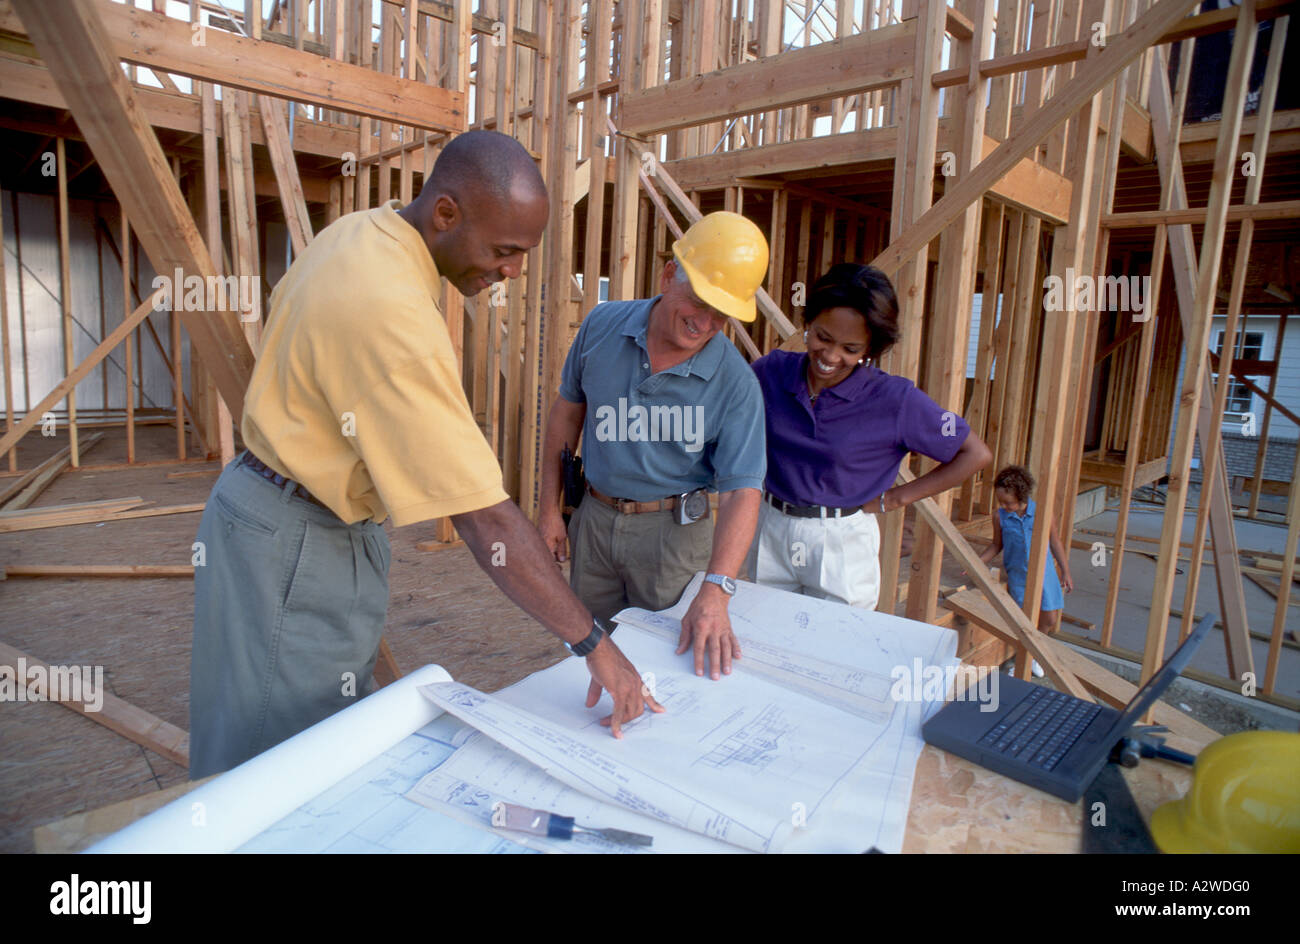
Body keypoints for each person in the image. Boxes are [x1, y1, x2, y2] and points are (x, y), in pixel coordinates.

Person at [190, 131, 661, 779]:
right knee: (280, 766)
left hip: (272, 510)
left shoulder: (362, 233)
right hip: (298, 539)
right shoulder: (389, 308)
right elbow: (486, 521)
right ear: (445, 213)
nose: (512, 272)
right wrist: (593, 642)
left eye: (522, 256)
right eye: (504, 251)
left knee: (267, 730)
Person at [537, 212, 769, 681]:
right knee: (587, 651)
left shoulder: (736, 383)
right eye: (700, 300)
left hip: (674, 539)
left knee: (669, 667)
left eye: (721, 314)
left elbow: (744, 489)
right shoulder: (602, 326)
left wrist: (717, 588)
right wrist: (548, 510)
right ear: (668, 275)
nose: (705, 323)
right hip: (595, 523)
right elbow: (567, 412)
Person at [747, 263, 991, 609]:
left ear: (870, 349)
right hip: (771, 524)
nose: (830, 357)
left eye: (850, 348)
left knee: (837, 650)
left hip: (841, 538)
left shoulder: (896, 400)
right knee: (766, 634)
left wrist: (894, 499)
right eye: (823, 337)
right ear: (808, 323)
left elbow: (975, 453)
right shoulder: (771, 372)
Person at [976, 464, 1074, 677]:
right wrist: (977, 562)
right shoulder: (999, 516)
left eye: (1008, 502)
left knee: (1048, 619)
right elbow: (996, 545)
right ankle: (1023, 660)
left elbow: (1055, 542)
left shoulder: (1042, 514)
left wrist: (1065, 571)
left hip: (1044, 573)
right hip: (1018, 575)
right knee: (1024, 621)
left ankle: (1037, 657)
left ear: (1022, 496)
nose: (1004, 505)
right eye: (1001, 501)